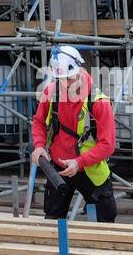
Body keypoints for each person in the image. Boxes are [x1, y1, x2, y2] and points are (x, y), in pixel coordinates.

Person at [30, 44, 118, 223]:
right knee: (53, 218)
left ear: (80, 70)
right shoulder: (51, 92)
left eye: (69, 78)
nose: (65, 84)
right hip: (58, 166)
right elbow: (39, 122)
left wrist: (79, 162)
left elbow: (107, 145)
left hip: (89, 168)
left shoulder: (98, 102)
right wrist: (39, 146)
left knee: (106, 218)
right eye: (60, 79)